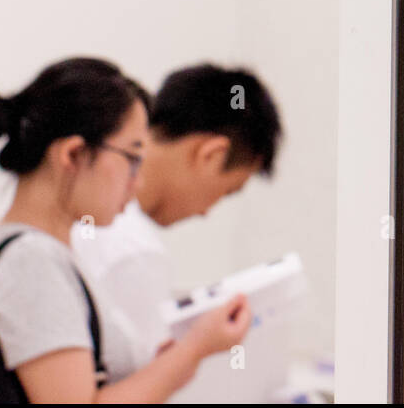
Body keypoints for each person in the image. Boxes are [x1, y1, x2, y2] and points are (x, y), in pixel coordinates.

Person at [0, 56, 251, 403]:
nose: (137, 181)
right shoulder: (32, 261)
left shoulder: (46, 254)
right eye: (132, 157)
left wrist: (174, 359)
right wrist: (194, 349)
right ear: (74, 154)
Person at [71, 63, 282, 366]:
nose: (207, 212)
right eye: (226, 191)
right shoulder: (133, 247)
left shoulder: (83, 213)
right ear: (212, 155)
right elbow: (146, 388)